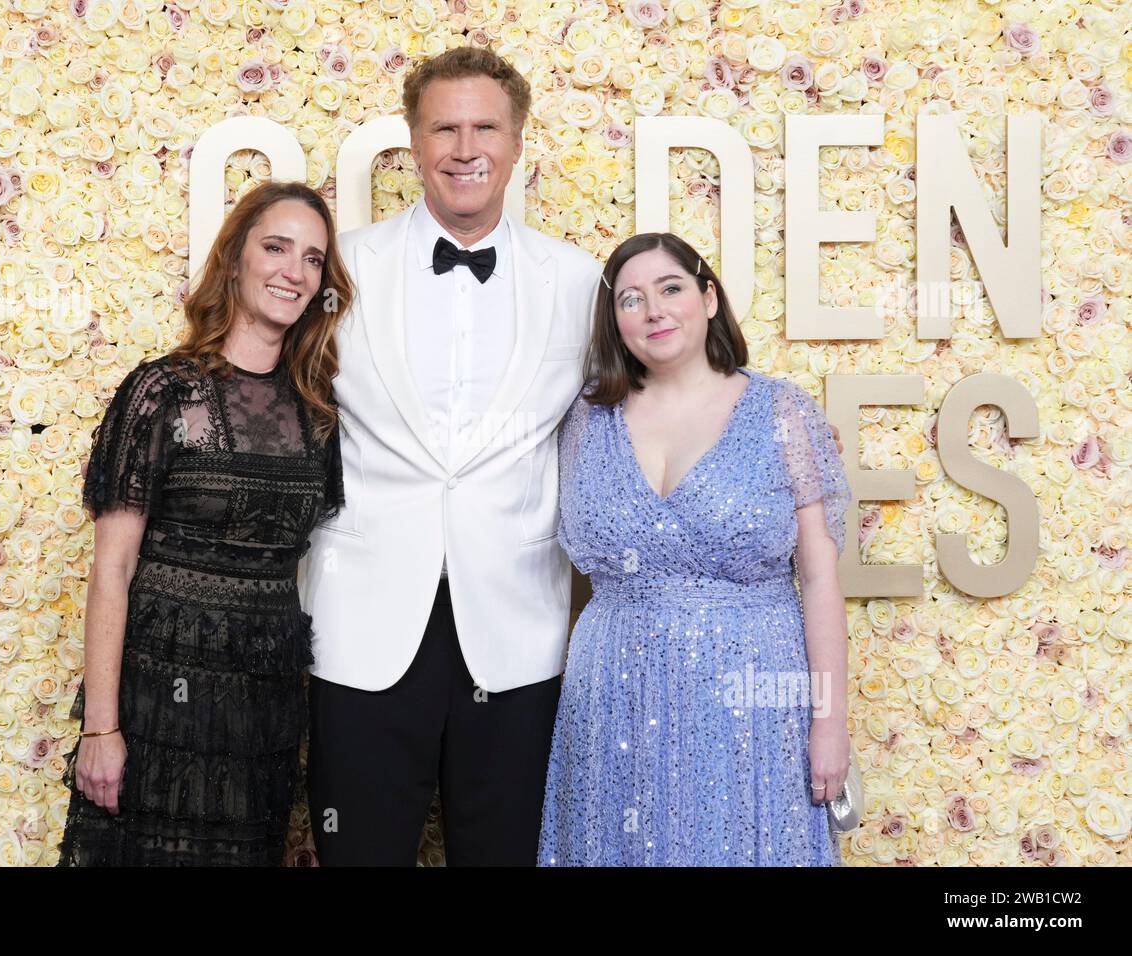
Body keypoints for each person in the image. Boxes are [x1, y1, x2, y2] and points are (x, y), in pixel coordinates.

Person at [300, 47, 603, 866]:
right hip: (362, 625)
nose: (465, 148)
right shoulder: (339, 268)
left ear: (517, 141)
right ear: (413, 142)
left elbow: (624, 423)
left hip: (518, 628)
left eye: (485, 128)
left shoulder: (581, 281)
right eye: (444, 129)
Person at [56, 181, 352, 866]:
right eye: (275, 248)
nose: (293, 271)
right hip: (158, 700)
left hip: (262, 713)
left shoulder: (317, 412)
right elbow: (112, 568)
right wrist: (100, 729)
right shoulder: (162, 390)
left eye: (312, 259)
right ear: (234, 259)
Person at [537, 233, 852, 866]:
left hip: (751, 698)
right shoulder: (584, 419)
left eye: (671, 288)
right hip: (612, 695)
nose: (653, 310)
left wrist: (830, 721)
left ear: (709, 298)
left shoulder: (781, 412)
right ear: (615, 322)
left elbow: (819, 578)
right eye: (631, 299)